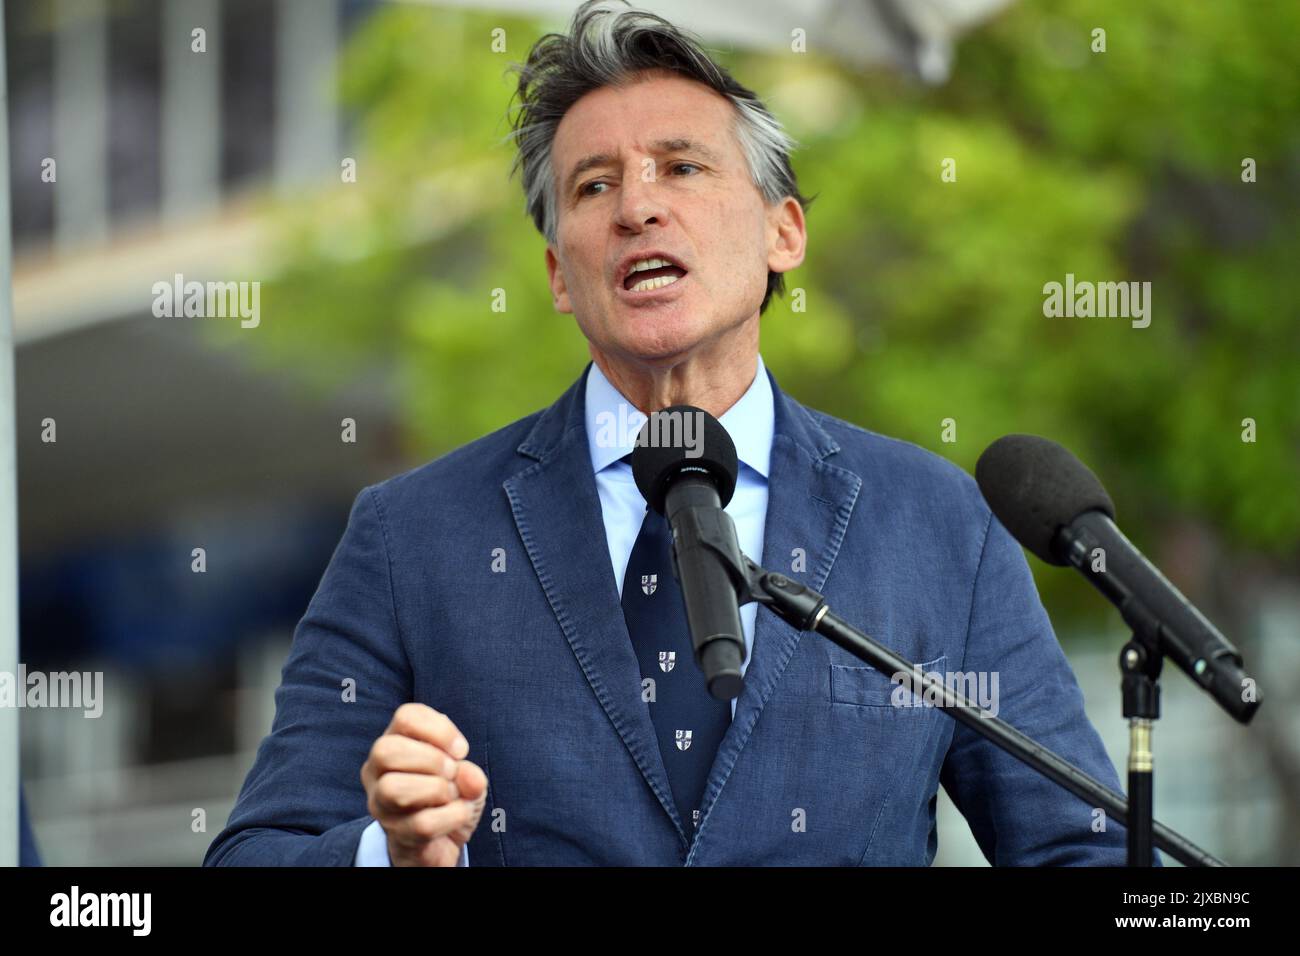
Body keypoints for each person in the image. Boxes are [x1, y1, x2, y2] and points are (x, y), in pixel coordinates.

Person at [206, 1, 1135, 867]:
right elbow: (251, 855)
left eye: (682, 167)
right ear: (559, 275)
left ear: (785, 232)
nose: (635, 207)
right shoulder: (411, 536)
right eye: (593, 184)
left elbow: (1080, 849)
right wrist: (386, 853)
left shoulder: (941, 525)